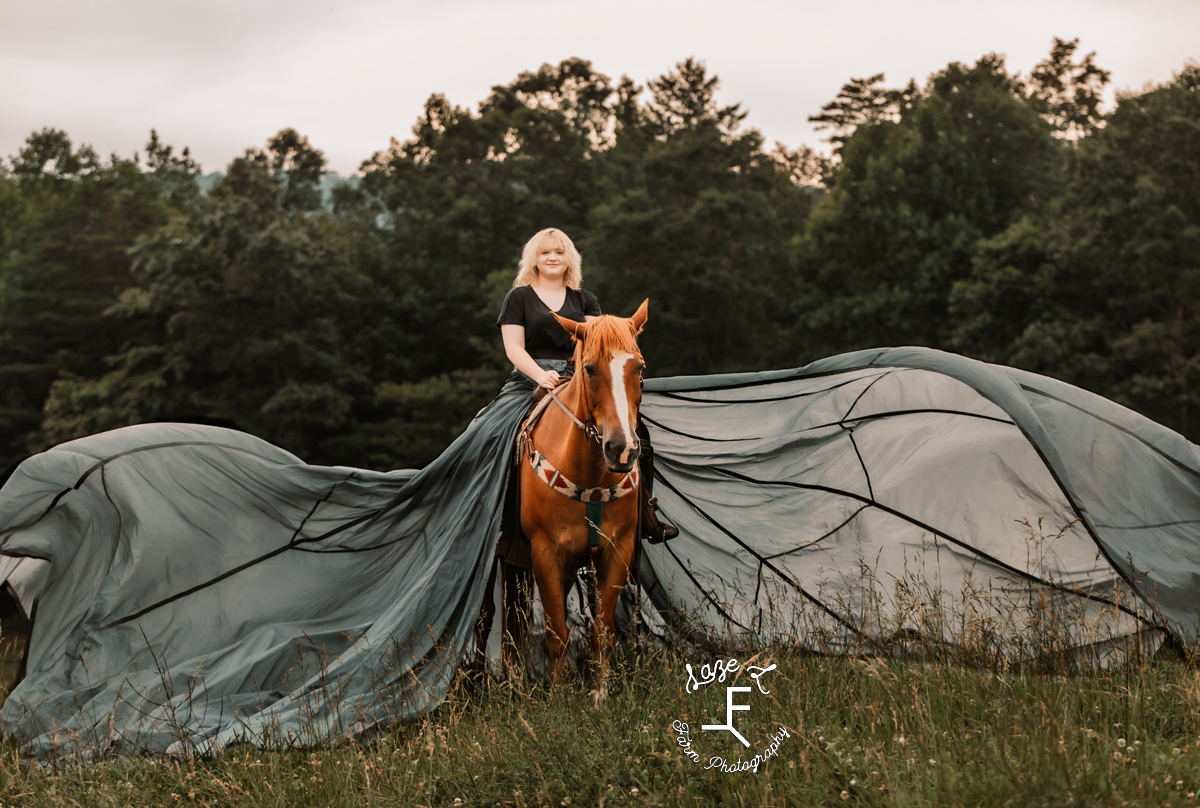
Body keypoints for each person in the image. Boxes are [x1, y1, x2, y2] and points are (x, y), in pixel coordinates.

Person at [495, 227, 677, 544]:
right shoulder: (519, 297)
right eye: (545, 252)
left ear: (570, 259)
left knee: (638, 432)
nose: (552, 257)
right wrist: (540, 375)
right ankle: (495, 516)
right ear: (533, 259)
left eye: (559, 252)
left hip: (579, 376)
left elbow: (599, 344)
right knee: (493, 431)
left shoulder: (585, 299)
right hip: (529, 378)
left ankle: (647, 513)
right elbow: (513, 348)